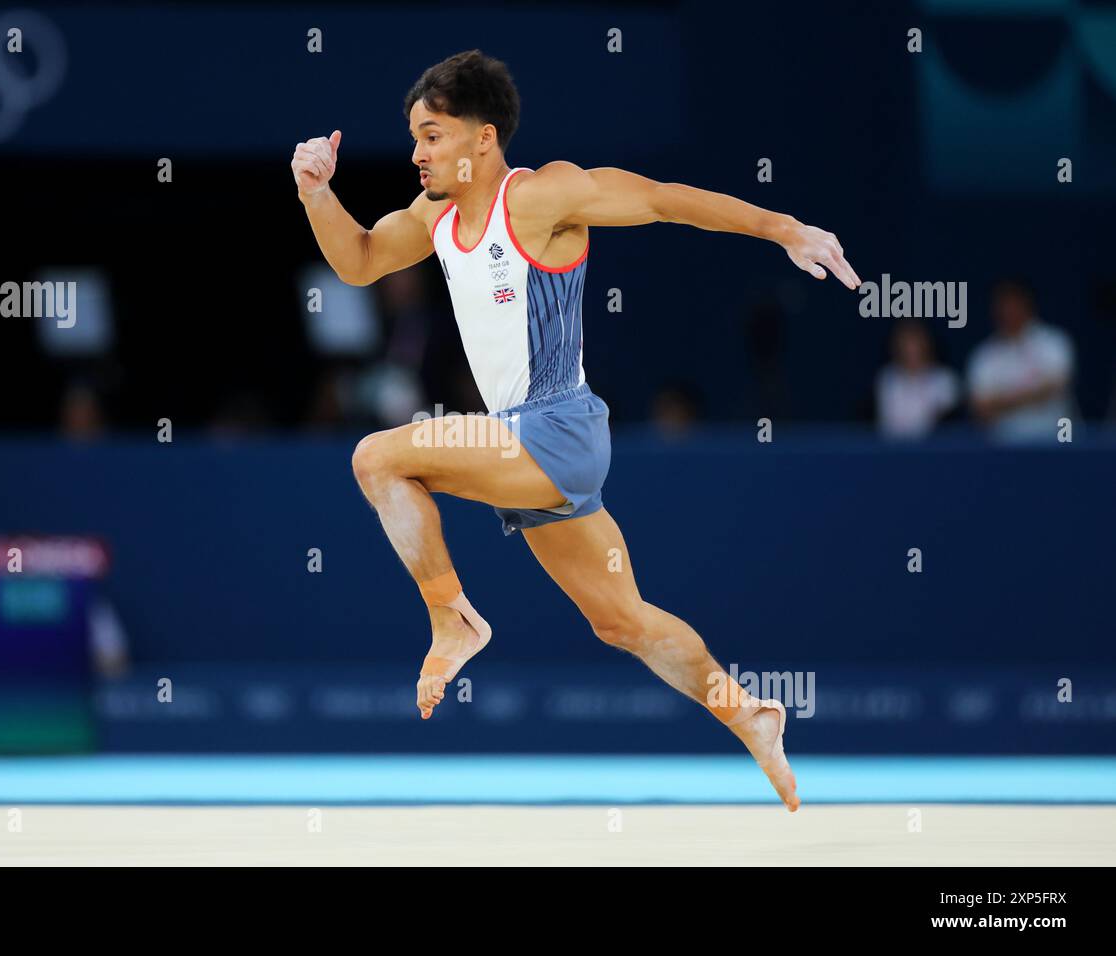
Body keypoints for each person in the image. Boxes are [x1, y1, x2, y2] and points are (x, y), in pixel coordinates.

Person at [292, 50, 860, 812]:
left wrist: (782, 227)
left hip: (557, 428)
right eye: (414, 137)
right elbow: (359, 260)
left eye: (431, 135)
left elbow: (661, 199)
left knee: (377, 458)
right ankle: (747, 711)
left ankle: (450, 617)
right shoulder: (434, 217)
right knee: (620, 620)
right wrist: (315, 193)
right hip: (522, 449)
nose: (417, 152)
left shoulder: (542, 196)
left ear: (483, 138)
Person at [967, 280, 1075, 442]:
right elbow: (981, 408)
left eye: (1014, 305)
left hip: (1056, 439)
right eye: (1003, 306)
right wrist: (1034, 394)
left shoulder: (1053, 341)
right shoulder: (984, 355)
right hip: (1006, 446)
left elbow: (1057, 386)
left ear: (1027, 305)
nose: (1009, 312)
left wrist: (1001, 402)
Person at [875, 319, 959, 439]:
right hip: (895, 450)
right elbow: (888, 425)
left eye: (916, 341)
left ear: (927, 343)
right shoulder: (887, 378)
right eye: (906, 342)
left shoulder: (945, 379)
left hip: (934, 449)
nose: (911, 349)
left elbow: (943, 423)